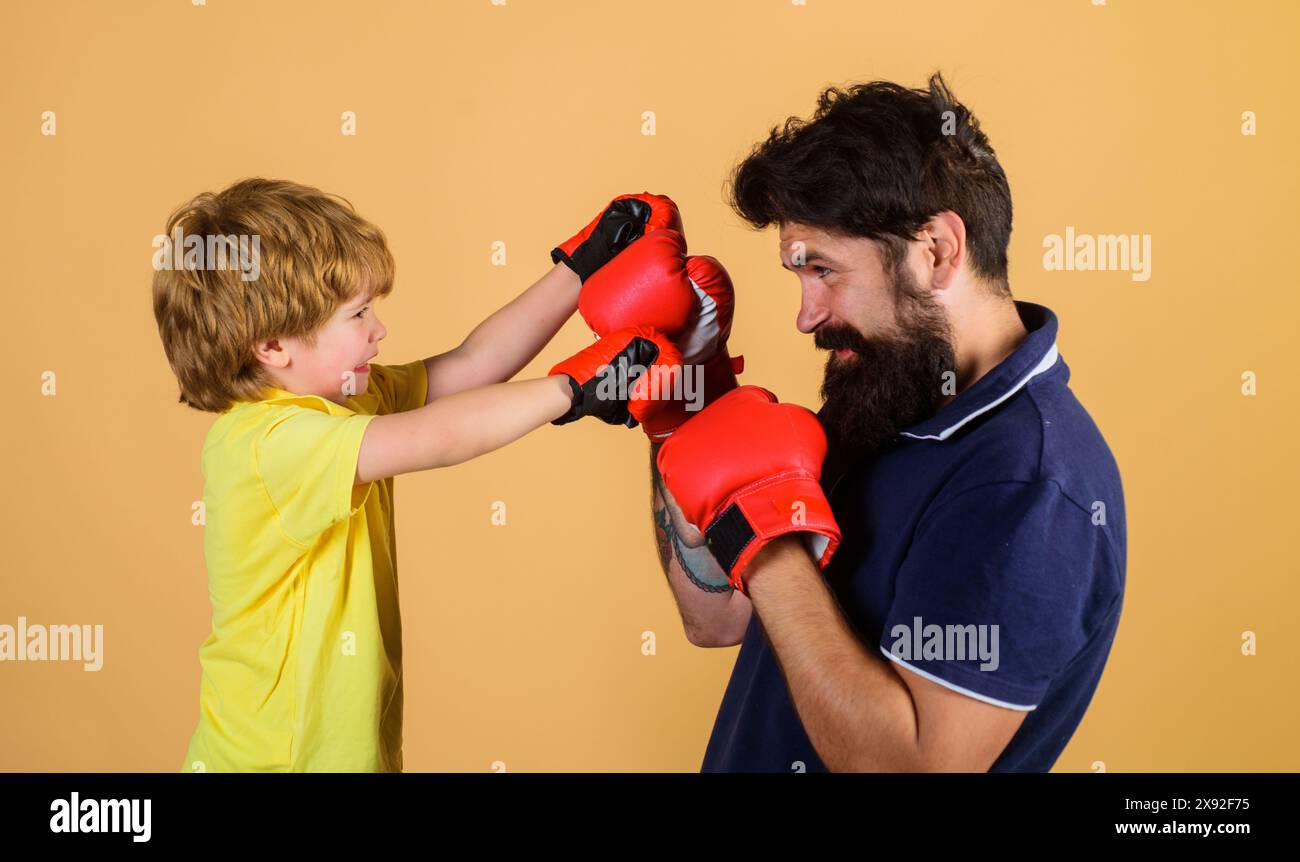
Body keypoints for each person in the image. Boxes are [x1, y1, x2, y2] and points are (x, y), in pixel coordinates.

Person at [630, 73, 1126, 772]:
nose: (806, 315)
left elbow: (910, 765)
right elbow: (716, 620)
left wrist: (762, 533)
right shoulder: (888, 392)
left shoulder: (1029, 485)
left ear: (937, 252)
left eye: (825, 271)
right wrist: (679, 414)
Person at [152, 179, 679, 771]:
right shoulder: (264, 444)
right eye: (358, 314)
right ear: (273, 344)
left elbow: (472, 365)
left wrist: (581, 268)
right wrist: (572, 390)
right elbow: (439, 436)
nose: (379, 331)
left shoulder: (347, 399)